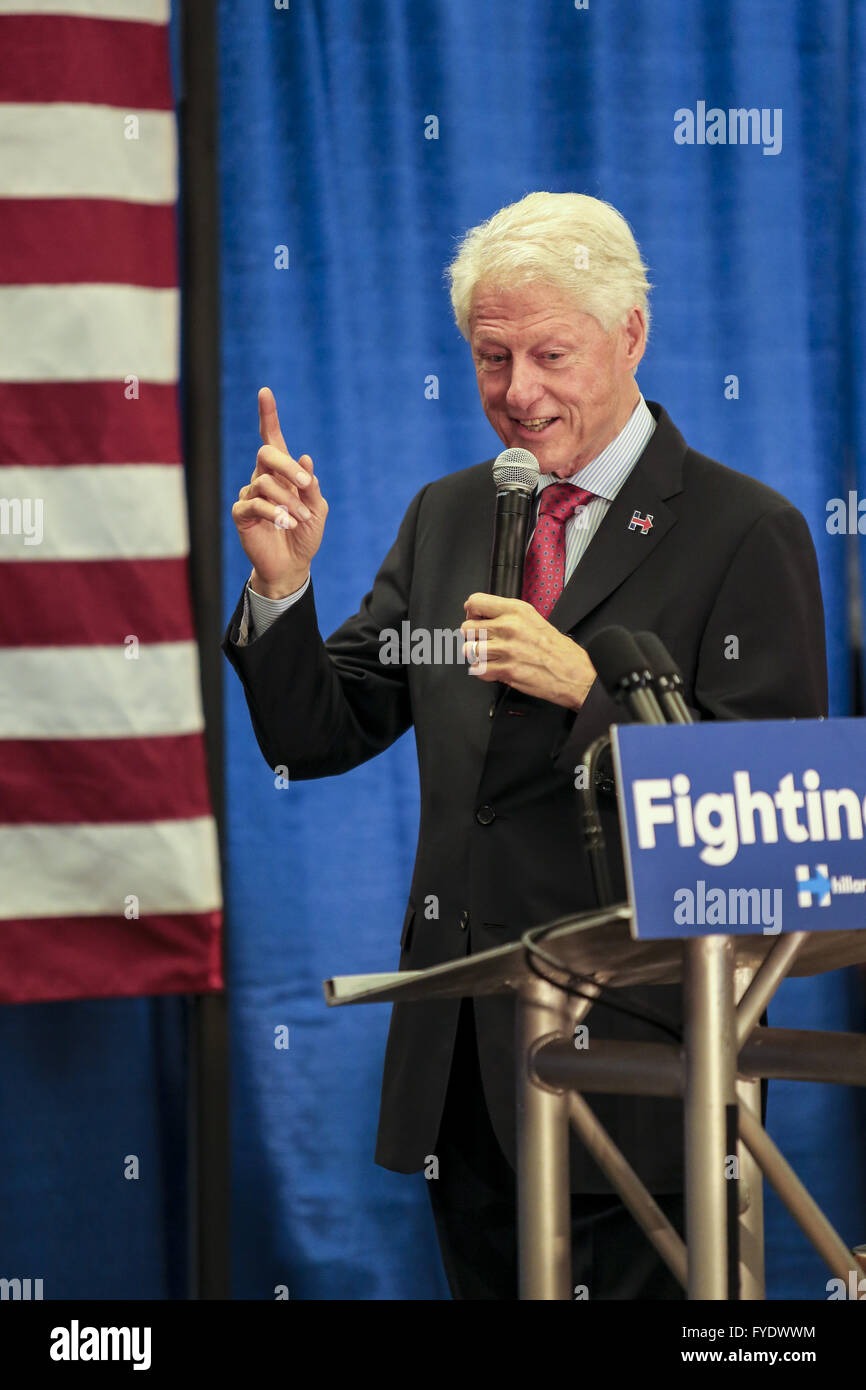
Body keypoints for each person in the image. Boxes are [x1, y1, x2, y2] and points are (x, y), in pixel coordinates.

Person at [223, 191, 828, 1299]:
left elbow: (770, 833)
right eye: (490, 357)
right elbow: (320, 730)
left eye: (550, 353)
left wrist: (591, 689)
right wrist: (282, 586)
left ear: (630, 333)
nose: (516, 393)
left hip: (650, 1071)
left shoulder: (745, 530)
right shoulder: (450, 514)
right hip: (465, 1071)